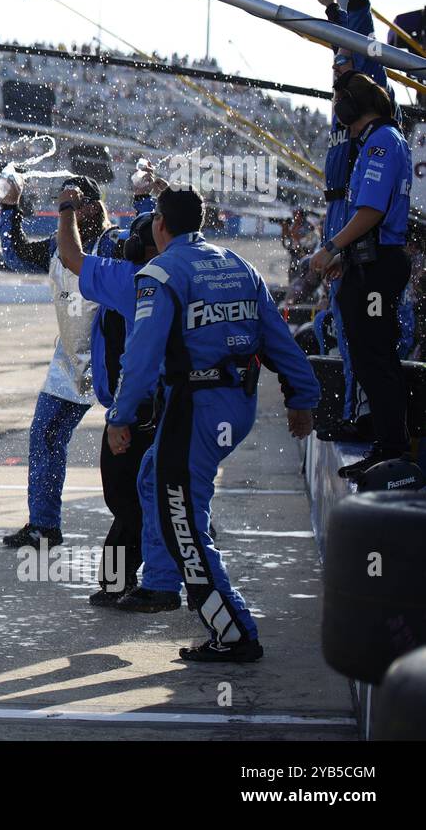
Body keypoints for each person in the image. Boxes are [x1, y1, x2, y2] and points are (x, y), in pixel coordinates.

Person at [107, 186, 319, 662]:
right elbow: (277, 335)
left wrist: (119, 418)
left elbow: (140, 360)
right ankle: (161, 583)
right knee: (153, 480)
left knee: (182, 520)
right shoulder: (235, 264)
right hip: (236, 402)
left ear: (160, 224)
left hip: (196, 409)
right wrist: (302, 398)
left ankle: (234, 630)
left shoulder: (159, 273)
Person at [0, 174, 118, 549]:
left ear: (95, 207)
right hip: (70, 362)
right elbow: (14, 256)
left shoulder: (116, 242)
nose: (71, 210)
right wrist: (9, 207)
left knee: (146, 444)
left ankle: (189, 522)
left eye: (79, 202)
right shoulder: (55, 245)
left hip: (118, 360)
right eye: (67, 202)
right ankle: (44, 526)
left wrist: (148, 199)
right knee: (45, 435)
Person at [56, 178, 159, 605]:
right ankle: (133, 580)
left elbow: (72, 257)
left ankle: (126, 583)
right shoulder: (174, 270)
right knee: (145, 499)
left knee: (128, 501)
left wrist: (65, 209)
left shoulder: (128, 280)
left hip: (134, 409)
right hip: (157, 405)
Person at [311, 74, 415, 478]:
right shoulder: (379, 139)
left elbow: (371, 212)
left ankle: (393, 449)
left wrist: (333, 247)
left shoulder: (379, 142)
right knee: (370, 356)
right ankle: (384, 443)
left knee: (376, 357)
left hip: (378, 268)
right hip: (367, 263)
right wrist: (347, 255)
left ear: (351, 106)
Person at [314, 0, 390, 440]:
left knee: (363, 331)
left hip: (358, 223)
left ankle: (367, 419)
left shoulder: (370, 99)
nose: (337, 68)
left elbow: (363, 51)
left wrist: (354, 3)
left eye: (343, 64)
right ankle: (355, 413)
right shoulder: (344, 112)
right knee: (340, 324)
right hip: (338, 212)